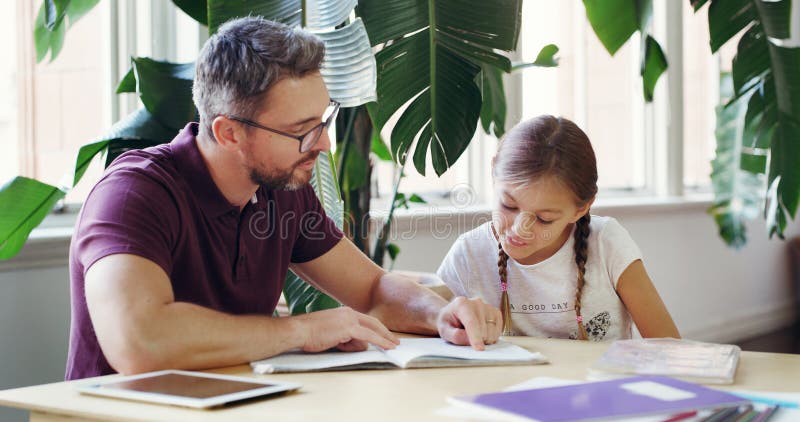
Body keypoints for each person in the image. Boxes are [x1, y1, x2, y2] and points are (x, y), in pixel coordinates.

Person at [65, 16, 501, 380]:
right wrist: (300, 331)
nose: (324, 144)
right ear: (228, 132)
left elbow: (372, 289)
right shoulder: (132, 194)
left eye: (323, 121)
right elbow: (140, 342)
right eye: (301, 131)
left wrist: (440, 313)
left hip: (234, 405)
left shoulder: (281, 189)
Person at [437, 115, 680, 340]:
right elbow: (432, 332)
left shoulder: (606, 243)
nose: (521, 229)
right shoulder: (468, 253)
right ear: (493, 173)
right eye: (509, 206)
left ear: (581, 209)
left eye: (544, 218)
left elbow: (668, 347)